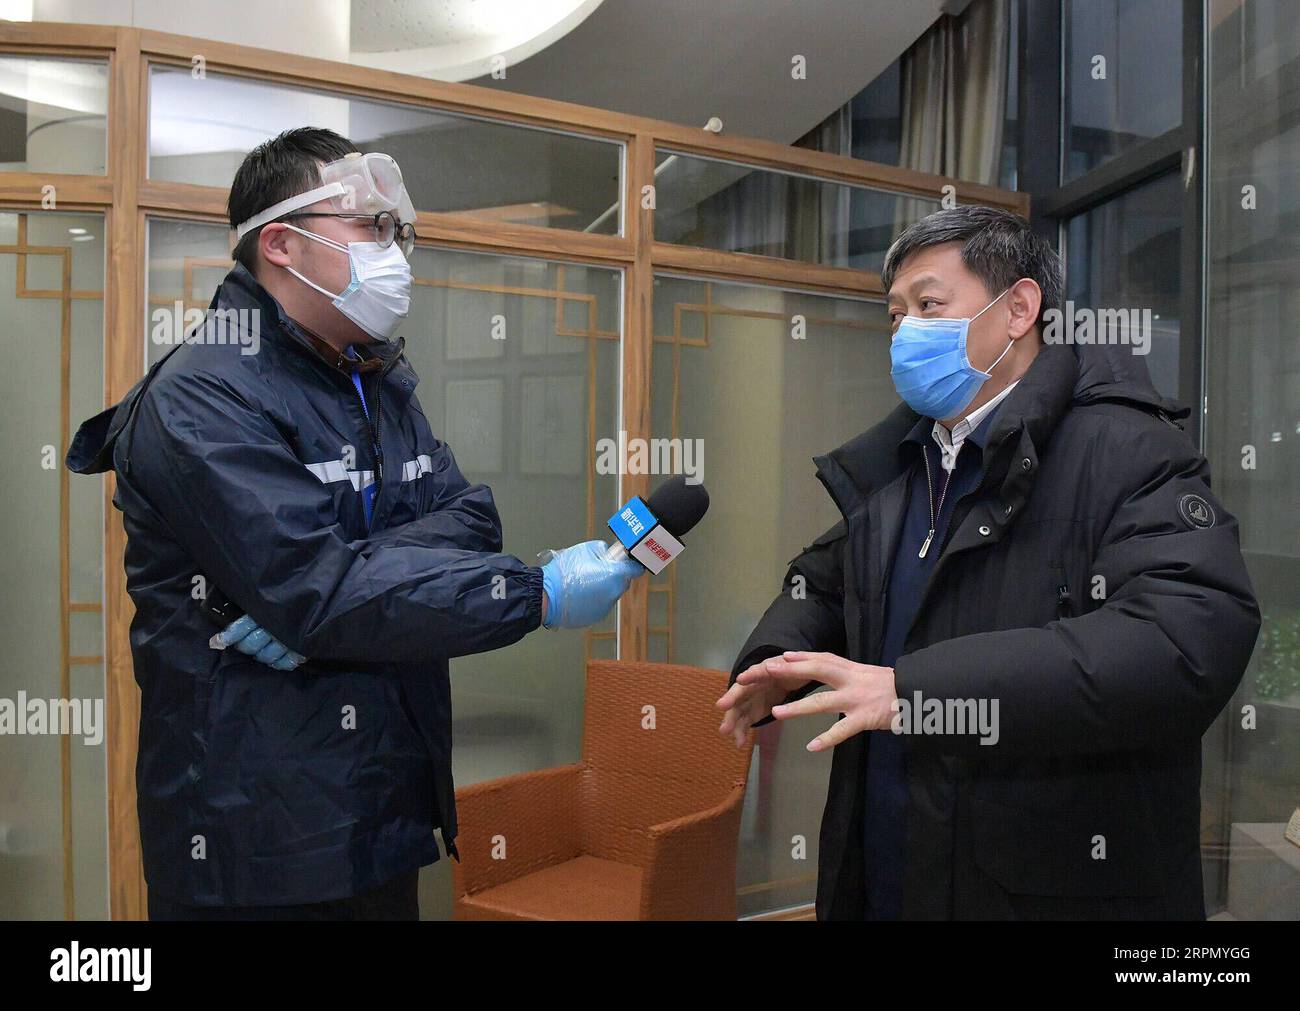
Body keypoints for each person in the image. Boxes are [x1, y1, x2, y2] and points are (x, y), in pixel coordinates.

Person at [65, 127, 639, 920]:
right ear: (281, 244)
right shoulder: (201, 398)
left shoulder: (377, 378)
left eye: (396, 230)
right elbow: (326, 594)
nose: (394, 249)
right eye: (371, 227)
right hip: (254, 842)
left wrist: (345, 579)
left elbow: (469, 516)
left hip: (384, 810)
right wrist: (531, 591)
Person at [716, 205, 1261, 920]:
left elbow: (1184, 640)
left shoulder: (1129, 450)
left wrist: (915, 691)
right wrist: (777, 655)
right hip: (890, 867)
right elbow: (825, 579)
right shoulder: (911, 462)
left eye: (929, 304)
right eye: (896, 313)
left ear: (1019, 309)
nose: (907, 330)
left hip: (1043, 887)